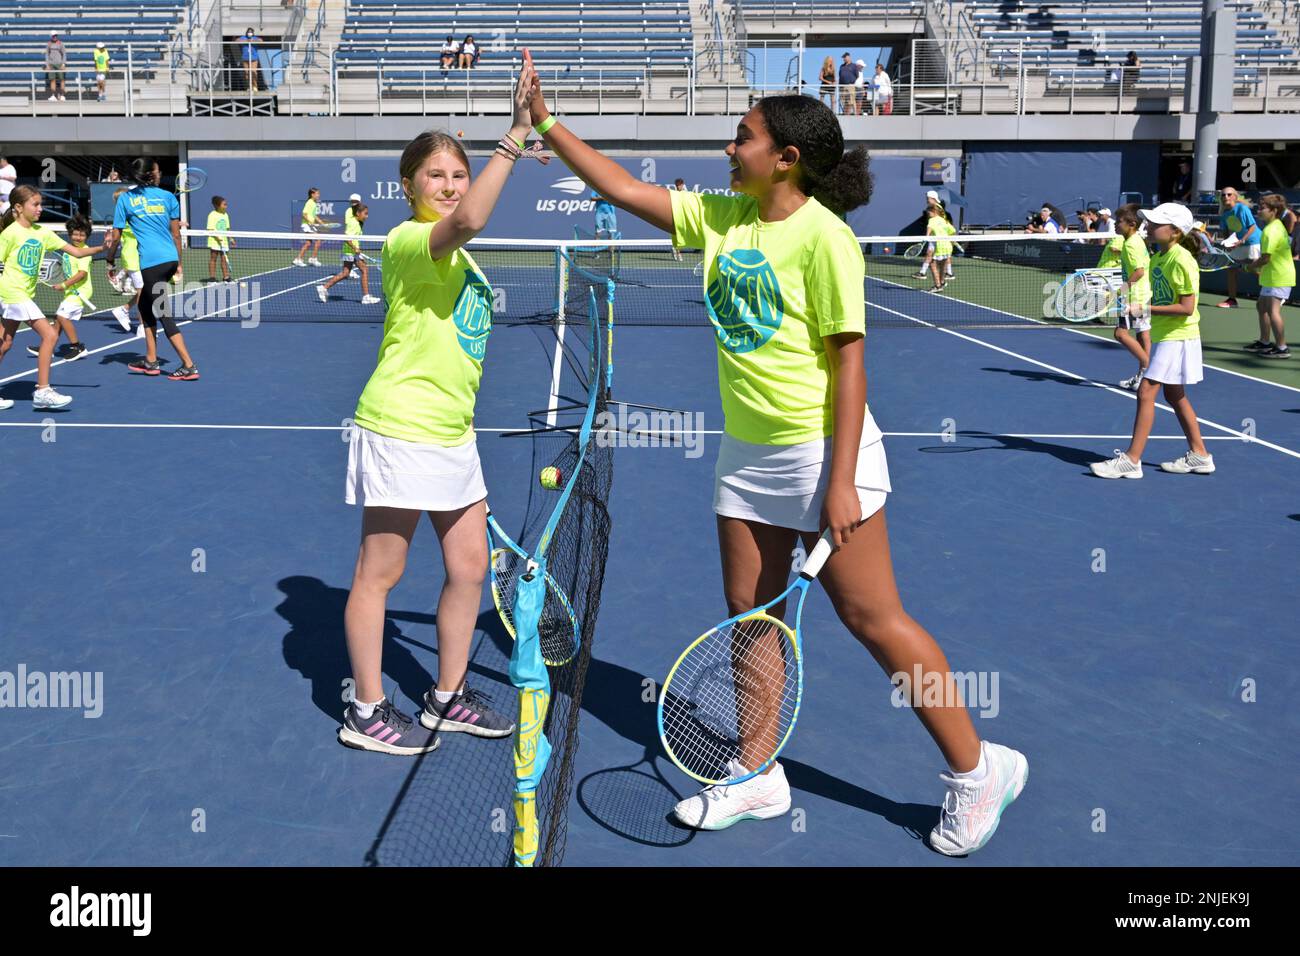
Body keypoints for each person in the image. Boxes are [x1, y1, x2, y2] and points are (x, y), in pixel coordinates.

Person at [522, 54, 1028, 854]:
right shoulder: (725, 218)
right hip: (747, 455)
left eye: (743, 137)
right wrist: (547, 121)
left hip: (825, 453)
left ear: (785, 157)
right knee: (750, 620)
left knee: (872, 618)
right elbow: (621, 186)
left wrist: (839, 479)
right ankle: (756, 774)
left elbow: (851, 363)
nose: (730, 148)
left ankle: (977, 769)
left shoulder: (826, 240)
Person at [337, 58, 541, 756]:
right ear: (408, 186)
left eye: (458, 175)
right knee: (380, 574)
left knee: (469, 570)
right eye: (437, 177)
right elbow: (476, 217)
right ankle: (364, 710)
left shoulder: (459, 260)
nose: (451, 187)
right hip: (399, 430)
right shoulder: (407, 243)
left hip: (453, 437)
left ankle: (446, 697)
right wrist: (513, 138)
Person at [1091, 203, 1212, 479]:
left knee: (1146, 392)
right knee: (1174, 394)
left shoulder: (1181, 259)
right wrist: (1138, 304)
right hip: (1166, 334)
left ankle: (1132, 460)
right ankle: (1200, 455)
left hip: (1179, 336)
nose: (1151, 227)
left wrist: (1145, 309)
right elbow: (1160, 297)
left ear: (1175, 232)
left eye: (1158, 224)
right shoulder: (1158, 257)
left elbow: (1187, 307)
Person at [0, 188, 106, 410]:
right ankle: (43, 391)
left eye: (41, 204)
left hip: (23, 294)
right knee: (49, 334)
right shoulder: (9, 234)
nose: (40, 209)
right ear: (18, 207)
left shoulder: (43, 233)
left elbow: (76, 252)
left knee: (5, 342)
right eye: (35, 205)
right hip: (13, 292)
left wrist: (102, 247)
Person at [108, 157, 200, 381]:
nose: (160, 174)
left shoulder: (126, 199)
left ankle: (189, 365)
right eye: (158, 171)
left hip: (150, 263)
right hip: (168, 260)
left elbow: (116, 234)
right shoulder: (168, 197)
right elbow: (176, 234)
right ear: (151, 174)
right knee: (144, 308)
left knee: (163, 314)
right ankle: (150, 360)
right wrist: (178, 263)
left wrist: (109, 260)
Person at [24, 213, 95, 363]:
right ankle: (47, 347)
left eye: (82, 235)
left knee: (62, 317)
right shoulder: (68, 251)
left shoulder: (84, 252)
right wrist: (66, 285)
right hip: (71, 291)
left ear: (87, 236)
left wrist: (64, 284)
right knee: (58, 320)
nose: (78, 238)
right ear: (70, 235)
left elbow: (81, 274)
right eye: (75, 234)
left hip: (80, 292)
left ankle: (77, 347)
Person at [1243, 193, 1293, 358]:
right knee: (1261, 307)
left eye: (1263, 208)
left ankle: (1282, 347)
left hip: (1278, 277)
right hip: (1272, 275)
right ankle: (1265, 342)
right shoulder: (1275, 226)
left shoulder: (1271, 231)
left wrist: (1250, 267)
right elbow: (1266, 257)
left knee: (1273, 311)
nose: (1259, 211)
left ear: (1274, 211)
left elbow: (1266, 259)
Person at [1111, 204, 1152, 390]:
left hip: (1134, 297)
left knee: (1120, 333)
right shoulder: (1137, 241)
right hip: (1142, 295)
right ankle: (1143, 376)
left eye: (1119, 221)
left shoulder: (1130, 244)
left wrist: (1122, 290)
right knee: (1143, 335)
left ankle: (1149, 368)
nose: (1115, 224)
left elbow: (1139, 271)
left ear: (1132, 224)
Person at [317, 202, 380, 305]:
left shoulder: (357, 223)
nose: (367, 216)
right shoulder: (353, 223)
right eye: (365, 213)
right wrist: (355, 248)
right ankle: (366, 297)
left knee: (346, 273)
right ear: (358, 213)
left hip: (351, 251)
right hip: (350, 251)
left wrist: (357, 249)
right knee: (364, 270)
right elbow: (347, 237)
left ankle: (323, 288)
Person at [1216, 185, 1260, 308]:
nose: (1226, 197)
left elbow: (1253, 227)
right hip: (1238, 243)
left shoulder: (1242, 208)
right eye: (1223, 195)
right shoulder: (1224, 213)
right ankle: (1232, 300)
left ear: (1235, 197)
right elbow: (1225, 231)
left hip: (1253, 241)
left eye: (1229, 194)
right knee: (1231, 269)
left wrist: (1242, 240)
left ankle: (1274, 295)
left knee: (1255, 269)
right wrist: (1227, 243)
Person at [107, 186, 143, 334]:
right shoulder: (123, 215)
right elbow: (115, 239)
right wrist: (110, 262)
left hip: (143, 255)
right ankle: (142, 326)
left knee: (145, 291)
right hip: (133, 256)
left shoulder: (134, 211)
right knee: (143, 292)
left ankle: (124, 309)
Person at [295, 187, 327, 267]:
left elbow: (314, 215)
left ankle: (298, 259)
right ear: (312, 194)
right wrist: (309, 222)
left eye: (319, 193)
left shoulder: (314, 203)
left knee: (308, 243)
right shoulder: (309, 202)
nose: (319, 195)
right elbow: (304, 214)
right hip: (307, 225)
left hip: (309, 225)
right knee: (318, 239)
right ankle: (313, 259)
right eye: (317, 194)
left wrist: (321, 222)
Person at [206, 195, 234, 283]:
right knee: (213, 258)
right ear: (218, 205)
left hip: (224, 242)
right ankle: (212, 278)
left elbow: (227, 229)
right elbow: (210, 229)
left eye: (226, 204)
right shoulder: (212, 215)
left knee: (224, 259)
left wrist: (231, 238)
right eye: (224, 204)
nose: (226, 206)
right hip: (214, 241)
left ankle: (226, 277)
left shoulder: (225, 215)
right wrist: (218, 237)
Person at [45, 33, 67, 102]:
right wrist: (47, 64)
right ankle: (53, 95)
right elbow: (47, 54)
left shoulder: (61, 43)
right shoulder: (49, 44)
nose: (55, 37)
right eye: (53, 36)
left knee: (62, 80)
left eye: (56, 35)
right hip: (51, 64)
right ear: (51, 36)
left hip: (59, 64)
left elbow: (64, 54)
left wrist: (63, 64)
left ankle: (62, 95)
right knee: (52, 80)